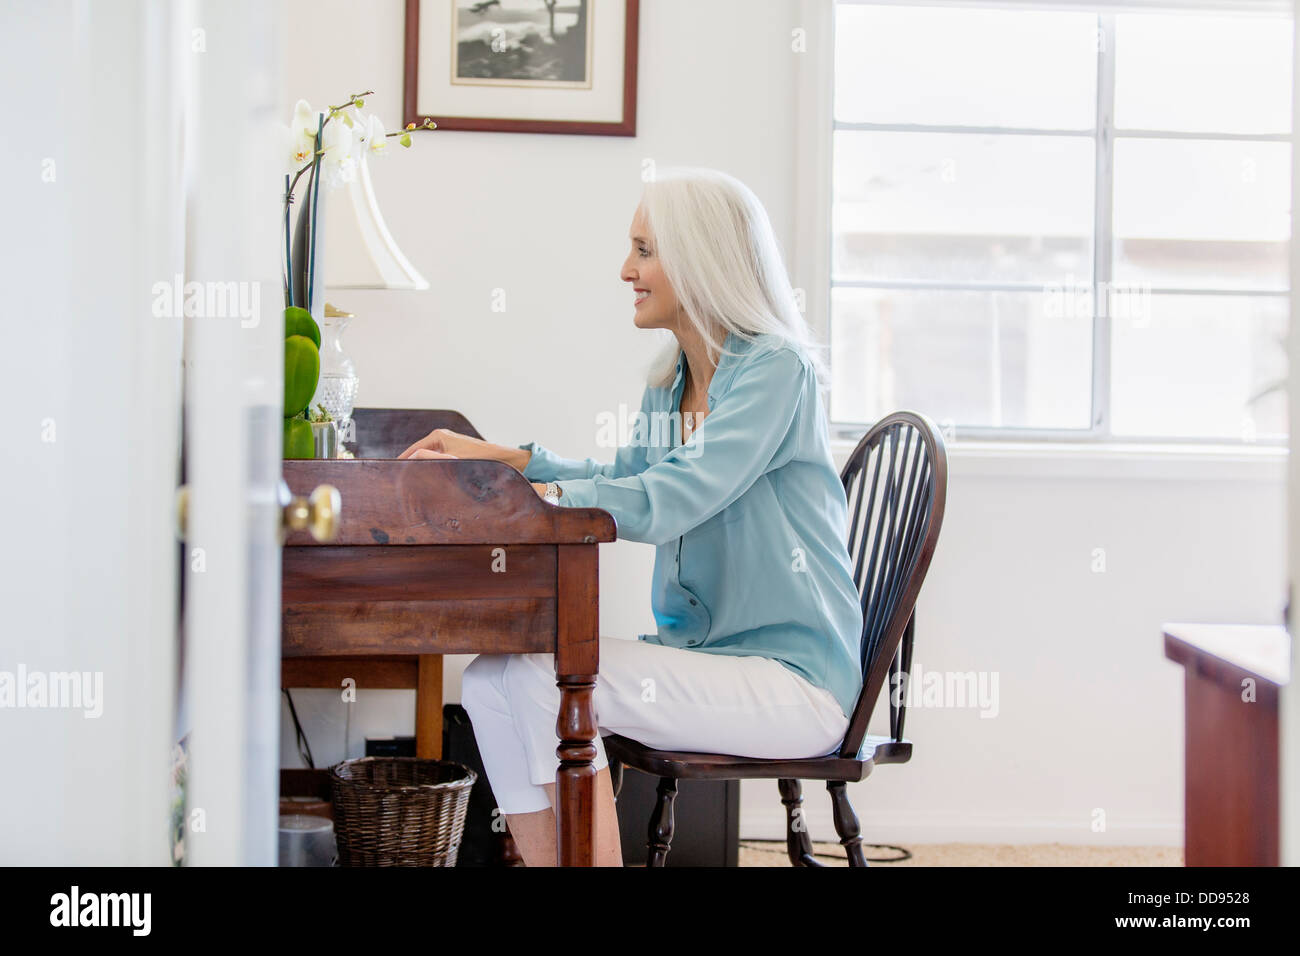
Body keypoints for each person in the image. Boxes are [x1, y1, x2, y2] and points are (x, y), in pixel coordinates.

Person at [399, 168, 864, 866]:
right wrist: (500, 460)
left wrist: (542, 503)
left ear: (699, 258)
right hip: (709, 661)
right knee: (489, 679)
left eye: (644, 250)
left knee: (540, 679)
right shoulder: (671, 379)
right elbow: (625, 481)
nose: (627, 270)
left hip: (795, 682)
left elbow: (674, 494)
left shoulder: (776, 372)